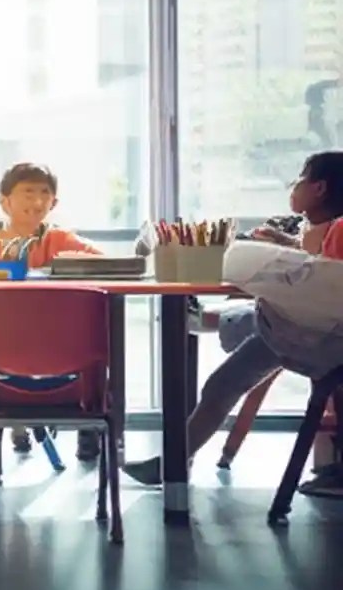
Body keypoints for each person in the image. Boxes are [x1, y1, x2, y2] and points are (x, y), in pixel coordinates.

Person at [124, 151, 343, 487]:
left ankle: (202, 320)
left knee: (230, 368)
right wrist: (287, 245)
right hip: (297, 332)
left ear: (319, 188)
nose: (293, 187)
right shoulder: (321, 231)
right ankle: (174, 463)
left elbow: (323, 292)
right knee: (222, 384)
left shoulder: (336, 230)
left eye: (299, 179)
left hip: (313, 337)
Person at [0, 162, 104, 461]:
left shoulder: (63, 241)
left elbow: (106, 263)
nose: (37, 201)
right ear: (4, 201)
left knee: (100, 320)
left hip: (58, 349)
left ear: (54, 203)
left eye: (44, 193)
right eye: (28, 192)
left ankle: (91, 426)